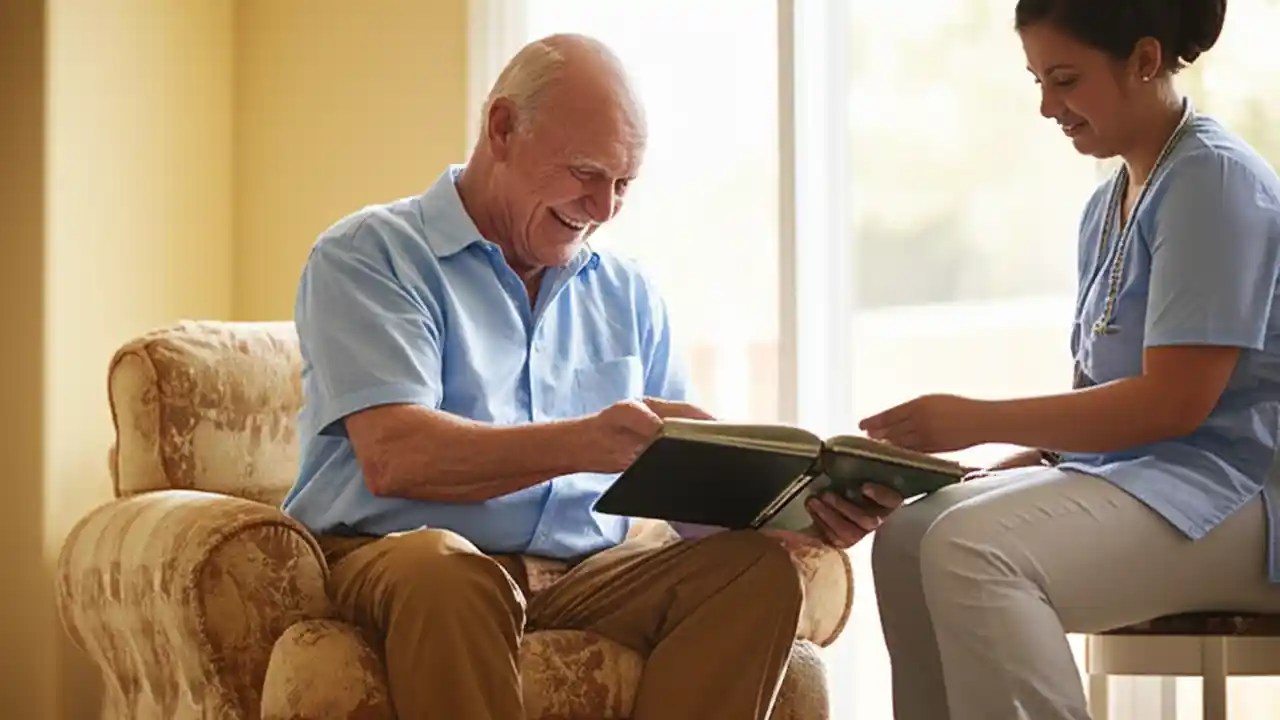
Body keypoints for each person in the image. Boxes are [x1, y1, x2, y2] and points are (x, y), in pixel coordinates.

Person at [280, 33, 899, 720]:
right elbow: (396, 456)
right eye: (585, 172)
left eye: (623, 183)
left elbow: (677, 499)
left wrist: (789, 511)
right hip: (400, 557)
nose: (604, 208)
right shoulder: (373, 255)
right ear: (503, 128)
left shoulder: (628, 294)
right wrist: (585, 442)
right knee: (448, 575)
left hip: (582, 575)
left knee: (751, 575)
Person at [863, 1, 1280, 718]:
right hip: (1148, 484)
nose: (1047, 106)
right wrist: (966, 477)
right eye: (1037, 81)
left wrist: (973, 420)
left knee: (972, 549)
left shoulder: (1212, 181)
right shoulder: (1109, 203)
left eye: (1064, 79)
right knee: (910, 534)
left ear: (1145, 61)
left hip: (1241, 501)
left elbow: (1172, 405)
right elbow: (1094, 414)